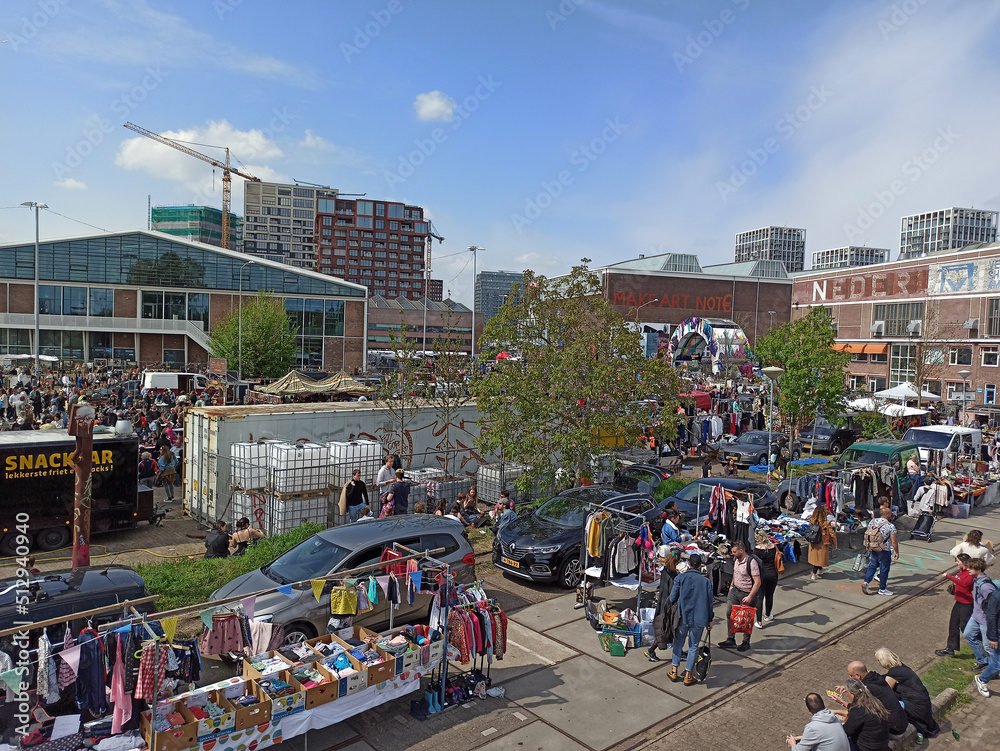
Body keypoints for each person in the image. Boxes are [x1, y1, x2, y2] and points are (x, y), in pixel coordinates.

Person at [668, 553, 714, 685]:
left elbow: (672, 598)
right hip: (700, 618)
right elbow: (710, 603)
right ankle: (688, 675)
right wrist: (709, 620)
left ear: (688, 564)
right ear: (700, 566)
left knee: (679, 642)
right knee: (693, 646)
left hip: (683, 616)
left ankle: (674, 670)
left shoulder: (680, 578)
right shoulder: (706, 582)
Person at [874, 647, 939, 739]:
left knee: (888, 702)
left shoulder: (893, 674)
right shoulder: (902, 667)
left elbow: (884, 691)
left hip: (916, 706)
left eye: (878, 660)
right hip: (923, 702)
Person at [839, 661, 908, 736]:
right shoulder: (876, 678)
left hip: (894, 727)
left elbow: (858, 710)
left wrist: (842, 701)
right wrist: (850, 686)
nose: (850, 678)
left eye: (851, 676)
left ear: (858, 676)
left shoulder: (868, 690)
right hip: (902, 720)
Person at [718, 540, 761, 652]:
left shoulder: (751, 562)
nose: (733, 554)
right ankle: (730, 639)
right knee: (729, 613)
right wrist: (732, 585)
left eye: (734, 552)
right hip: (735, 591)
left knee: (746, 618)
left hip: (747, 593)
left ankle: (746, 642)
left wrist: (750, 596)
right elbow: (735, 572)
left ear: (741, 551)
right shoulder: (736, 559)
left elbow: (757, 582)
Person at [830, 678, 891, 751]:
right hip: (881, 743)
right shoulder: (874, 701)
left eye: (847, 692)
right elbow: (853, 708)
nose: (847, 695)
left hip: (866, 747)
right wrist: (841, 701)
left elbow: (846, 731)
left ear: (852, 694)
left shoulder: (858, 711)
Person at [936, 553, 974, 657]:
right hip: (959, 602)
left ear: (964, 562)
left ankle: (987, 641)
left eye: (958, 561)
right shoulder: (961, 571)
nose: (956, 563)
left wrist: (948, 576)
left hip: (966, 604)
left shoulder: (970, 573)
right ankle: (950, 649)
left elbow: (965, 584)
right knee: (953, 624)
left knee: (965, 627)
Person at [785, 692, 850, 751]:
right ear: (824, 705)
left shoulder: (812, 727)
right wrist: (799, 738)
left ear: (808, 709)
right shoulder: (834, 718)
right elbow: (822, 735)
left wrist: (792, 743)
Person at [964, 557, 997, 670]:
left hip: (985, 621)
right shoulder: (976, 580)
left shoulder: (986, 586)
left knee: (989, 647)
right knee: (968, 635)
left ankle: (994, 669)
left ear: (978, 569)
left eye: (970, 568)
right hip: (975, 617)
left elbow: (994, 604)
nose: (968, 569)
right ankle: (983, 661)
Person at [645, 551, 678, 662]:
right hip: (668, 606)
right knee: (665, 631)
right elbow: (673, 592)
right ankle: (651, 650)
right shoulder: (673, 575)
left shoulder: (665, 570)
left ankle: (677, 650)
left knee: (664, 630)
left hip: (662, 602)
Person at [974, 568, 1000, 697]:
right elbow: (991, 616)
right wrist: (993, 637)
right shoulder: (997, 595)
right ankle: (982, 679)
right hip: (997, 634)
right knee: (998, 663)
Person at [862, 507, 899, 596]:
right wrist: (897, 552)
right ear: (886, 514)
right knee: (884, 569)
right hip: (884, 549)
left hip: (873, 547)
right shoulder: (890, 526)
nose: (891, 515)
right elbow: (894, 541)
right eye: (890, 513)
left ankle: (866, 582)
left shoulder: (872, 522)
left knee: (872, 566)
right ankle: (882, 589)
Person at [752, 528, 780, 626]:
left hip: (761, 575)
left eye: (756, 538)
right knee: (769, 595)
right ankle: (768, 615)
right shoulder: (773, 547)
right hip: (773, 574)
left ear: (759, 539)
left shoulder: (757, 549)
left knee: (759, 597)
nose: (756, 540)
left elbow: (754, 563)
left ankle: (759, 621)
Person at [807, 505, 838, 581]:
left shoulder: (812, 520)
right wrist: (835, 544)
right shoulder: (826, 523)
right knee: (819, 559)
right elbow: (832, 534)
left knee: (815, 558)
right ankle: (814, 574)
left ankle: (821, 569)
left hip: (813, 542)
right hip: (822, 543)